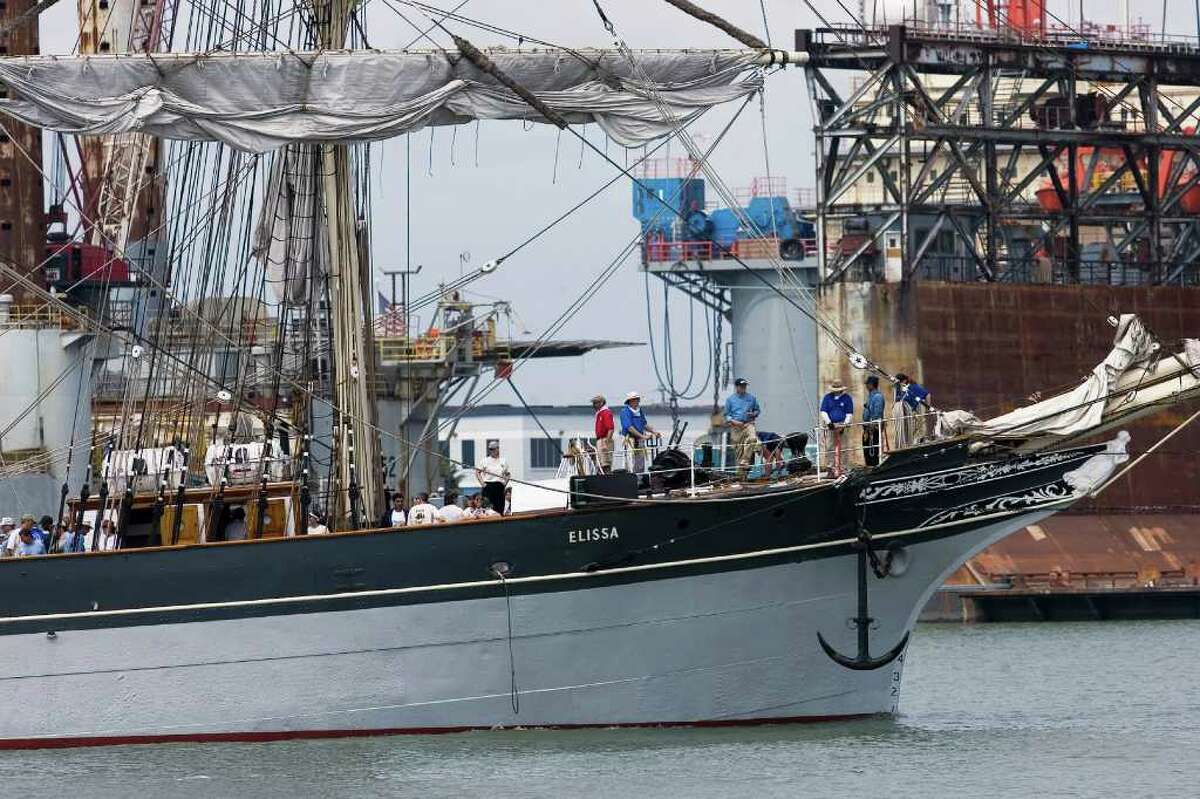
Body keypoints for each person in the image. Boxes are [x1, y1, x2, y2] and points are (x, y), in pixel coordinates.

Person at [724, 377, 762, 479]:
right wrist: (734, 421)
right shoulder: (730, 400)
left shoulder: (752, 398)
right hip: (736, 427)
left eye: (745, 386)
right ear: (737, 387)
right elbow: (726, 415)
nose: (743, 387)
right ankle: (741, 478)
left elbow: (757, 410)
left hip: (748, 424)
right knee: (739, 452)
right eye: (741, 386)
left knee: (752, 438)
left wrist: (753, 414)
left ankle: (745, 460)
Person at [819, 379, 855, 476]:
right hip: (831, 425)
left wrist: (844, 424)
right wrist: (829, 422)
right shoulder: (827, 398)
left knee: (844, 447)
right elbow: (823, 411)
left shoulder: (847, 398)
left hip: (843, 424)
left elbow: (849, 413)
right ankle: (830, 468)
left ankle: (843, 468)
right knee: (829, 446)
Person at [619, 391, 659, 474]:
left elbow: (644, 424)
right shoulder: (625, 411)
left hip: (640, 440)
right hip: (630, 440)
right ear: (630, 401)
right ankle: (632, 478)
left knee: (640, 462)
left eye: (638, 399)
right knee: (631, 462)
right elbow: (629, 427)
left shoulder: (639, 411)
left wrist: (654, 432)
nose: (637, 401)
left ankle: (640, 478)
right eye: (635, 399)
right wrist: (642, 436)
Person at [894, 373, 933, 444]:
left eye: (899, 382)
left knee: (919, 429)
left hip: (916, 411)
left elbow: (927, 394)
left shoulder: (913, 387)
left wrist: (928, 408)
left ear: (904, 381)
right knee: (910, 431)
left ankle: (921, 441)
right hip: (907, 414)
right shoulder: (900, 390)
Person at [475, 441, 510, 517]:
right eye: (490, 449)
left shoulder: (503, 461)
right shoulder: (484, 461)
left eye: (494, 449)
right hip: (488, 486)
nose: (492, 451)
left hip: (499, 486)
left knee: (499, 508)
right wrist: (483, 484)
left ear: (498, 449)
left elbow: (508, 474)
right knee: (487, 508)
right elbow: (477, 472)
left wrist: (504, 483)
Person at [862, 375, 886, 467]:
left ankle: (874, 467)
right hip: (868, 428)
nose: (866, 386)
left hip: (873, 428)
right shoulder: (871, 396)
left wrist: (873, 425)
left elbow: (877, 413)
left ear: (871, 384)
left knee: (873, 451)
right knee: (867, 451)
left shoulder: (878, 397)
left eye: (867, 384)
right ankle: (870, 466)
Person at [591, 394, 615, 473]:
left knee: (605, 463)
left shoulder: (606, 412)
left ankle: (606, 477)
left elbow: (610, 428)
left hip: (604, 439)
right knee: (601, 462)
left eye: (595, 403)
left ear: (601, 403)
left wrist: (606, 442)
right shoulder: (600, 413)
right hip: (601, 440)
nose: (593, 405)